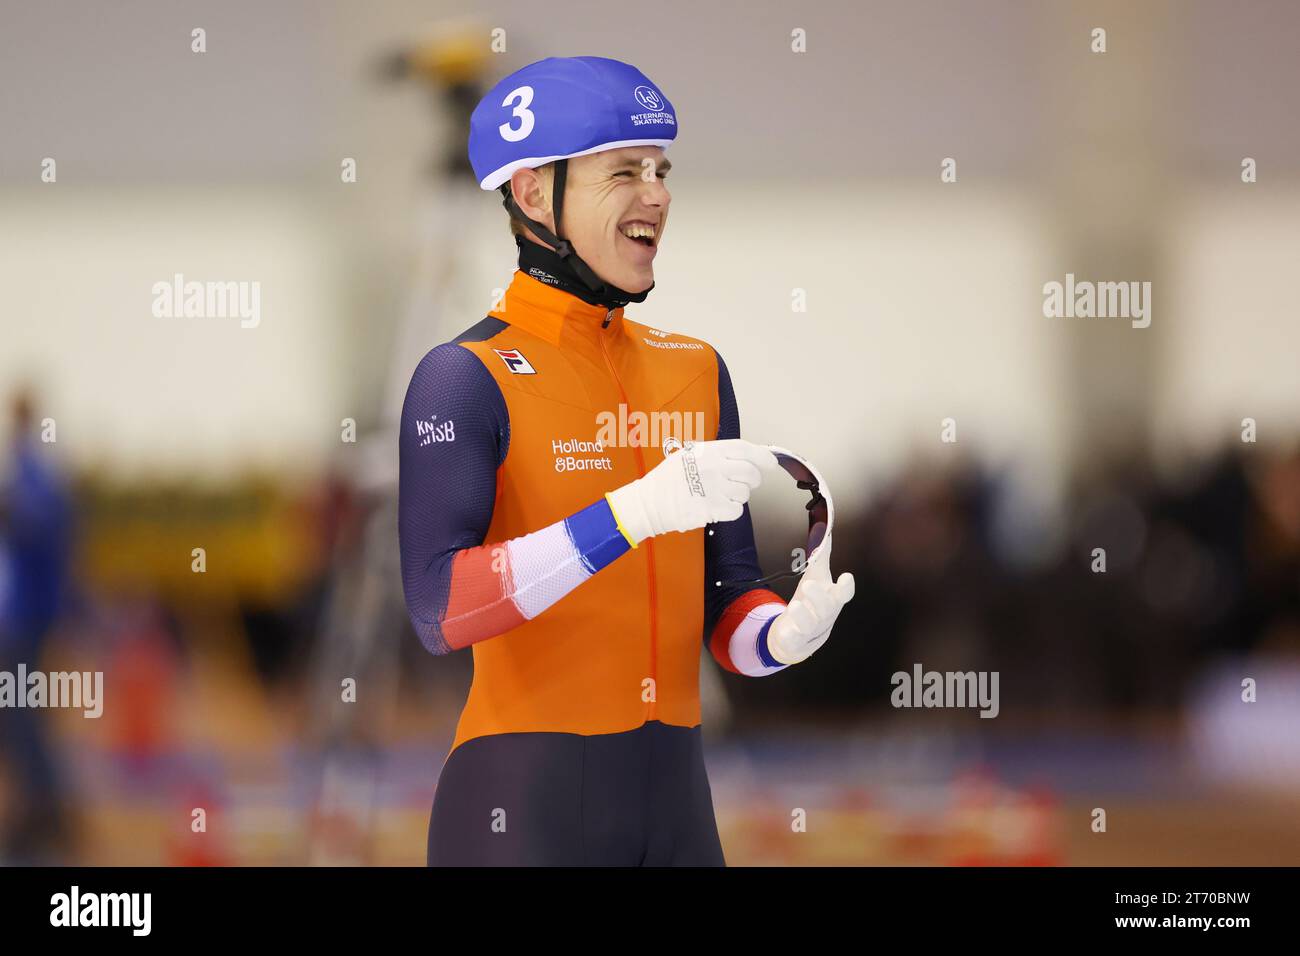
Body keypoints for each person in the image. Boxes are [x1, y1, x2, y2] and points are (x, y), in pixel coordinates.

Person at [398, 56, 855, 866]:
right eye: (623, 171)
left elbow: (725, 603)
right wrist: (631, 515)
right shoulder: (464, 378)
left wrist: (779, 635)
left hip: (675, 799)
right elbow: (440, 612)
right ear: (536, 193)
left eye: (661, 169)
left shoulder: (696, 369)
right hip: (520, 804)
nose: (657, 194)